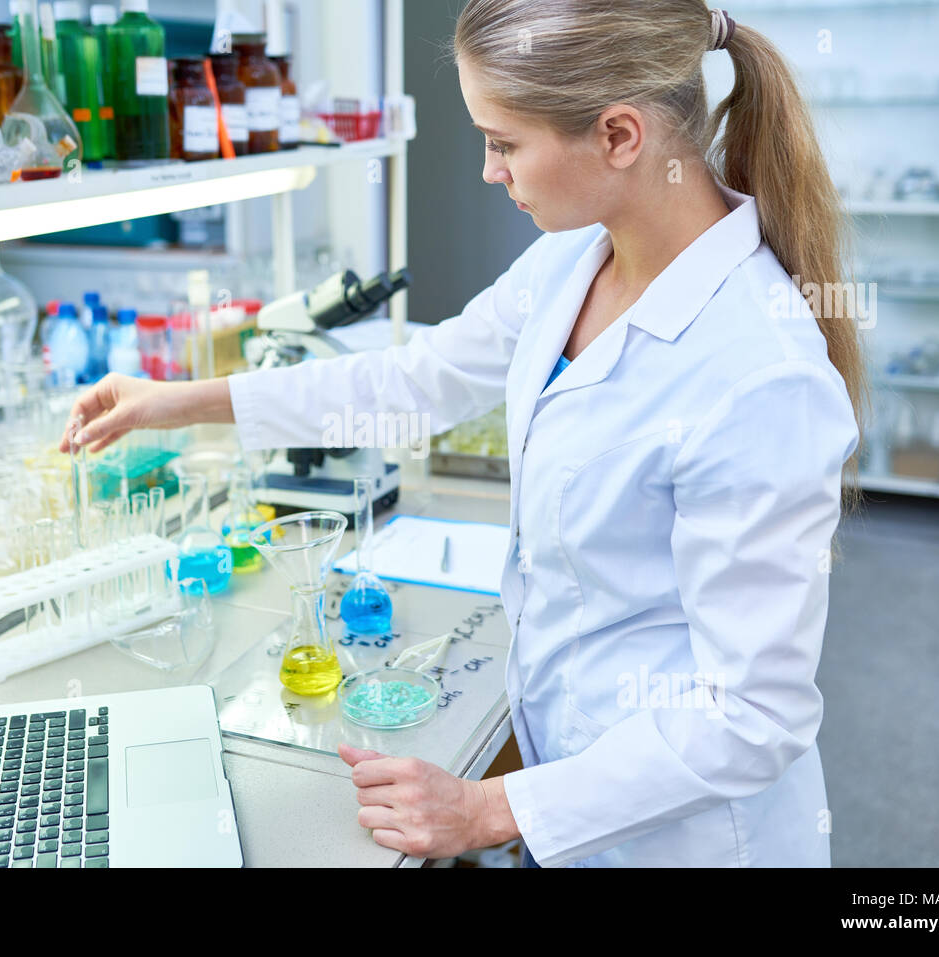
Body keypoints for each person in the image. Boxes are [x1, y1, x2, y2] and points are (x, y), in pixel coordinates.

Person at [61, 0, 866, 867]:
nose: (489, 170)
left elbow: (754, 715)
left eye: (504, 142)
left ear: (620, 136)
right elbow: (412, 380)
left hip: (690, 840)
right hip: (575, 782)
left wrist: (488, 809)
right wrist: (176, 399)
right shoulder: (577, 259)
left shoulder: (760, 373)